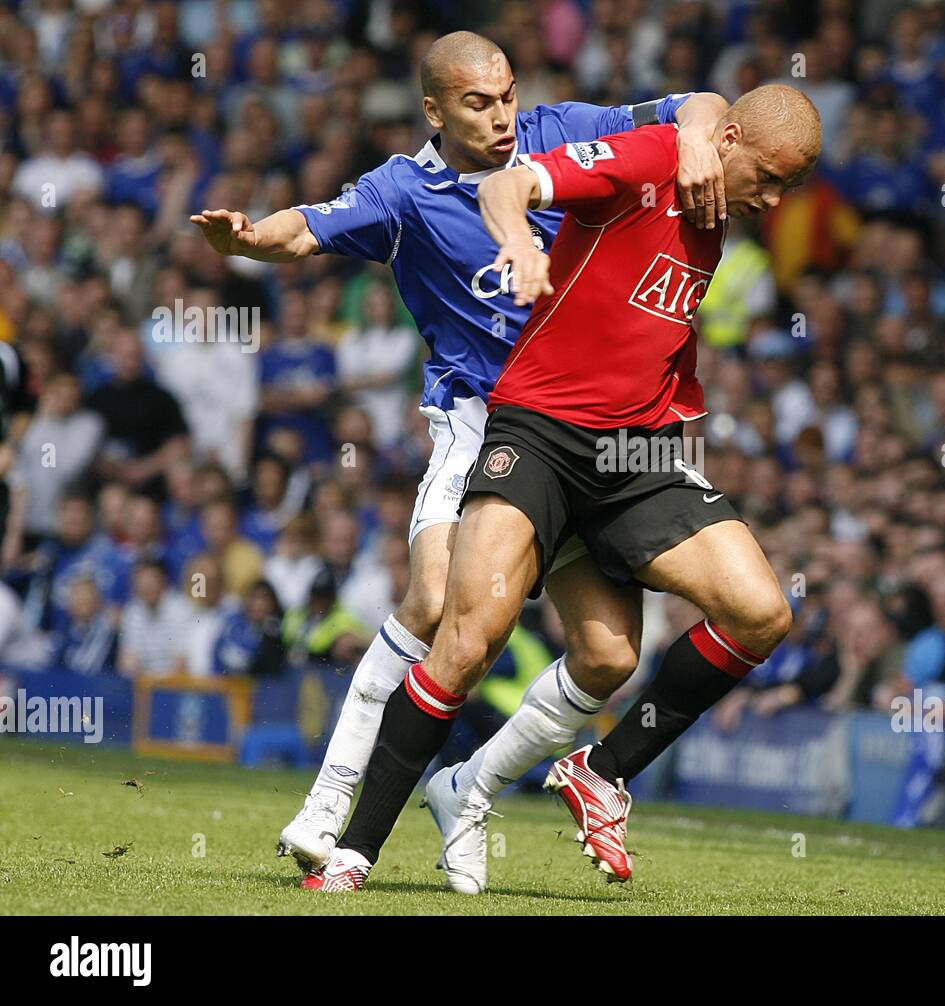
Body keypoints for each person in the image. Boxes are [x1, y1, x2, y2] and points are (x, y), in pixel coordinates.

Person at [191, 30, 729, 872]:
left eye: (509, 93)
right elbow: (305, 233)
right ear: (435, 109)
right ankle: (327, 806)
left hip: (588, 426)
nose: (504, 115)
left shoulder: (561, 131)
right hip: (481, 420)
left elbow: (697, 106)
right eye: (479, 103)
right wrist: (247, 239)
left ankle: (468, 786)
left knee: (610, 654)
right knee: (436, 599)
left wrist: (698, 134)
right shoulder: (404, 191)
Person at [307, 83, 821, 892]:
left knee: (752, 615)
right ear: (728, 141)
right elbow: (510, 184)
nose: (778, 197)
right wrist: (519, 243)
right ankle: (352, 852)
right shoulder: (653, 159)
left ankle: (599, 773)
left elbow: (704, 106)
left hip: (636, 452)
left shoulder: (719, 191)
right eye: (773, 173)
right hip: (541, 433)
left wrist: (703, 132)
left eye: (794, 185)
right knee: (467, 641)